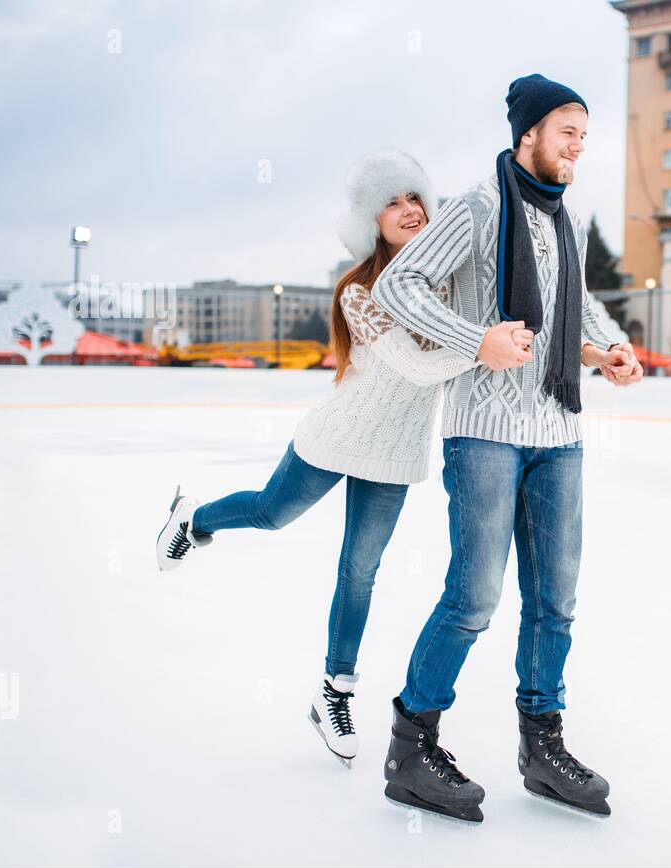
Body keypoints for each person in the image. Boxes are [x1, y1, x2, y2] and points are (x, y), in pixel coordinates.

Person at [153, 148, 533, 770]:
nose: (409, 210)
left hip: (396, 451)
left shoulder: (449, 287)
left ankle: (334, 692)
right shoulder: (360, 290)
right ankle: (194, 518)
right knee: (273, 514)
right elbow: (411, 365)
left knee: (360, 568)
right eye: (392, 202)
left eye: (415, 198)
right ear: (370, 220)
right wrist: (480, 349)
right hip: (338, 434)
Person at [372, 73, 643, 823]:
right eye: (567, 131)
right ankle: (411, 745)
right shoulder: (477, 208)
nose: (578, 145)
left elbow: (576, 305)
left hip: (559, 431)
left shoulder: (565, 219)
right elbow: (400, 285)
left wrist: (609, 349)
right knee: (475, 597)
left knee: (555, 601)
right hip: (484, 432)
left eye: (585, 134)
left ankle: (541, 746)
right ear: (528, 133)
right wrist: (475, 341)